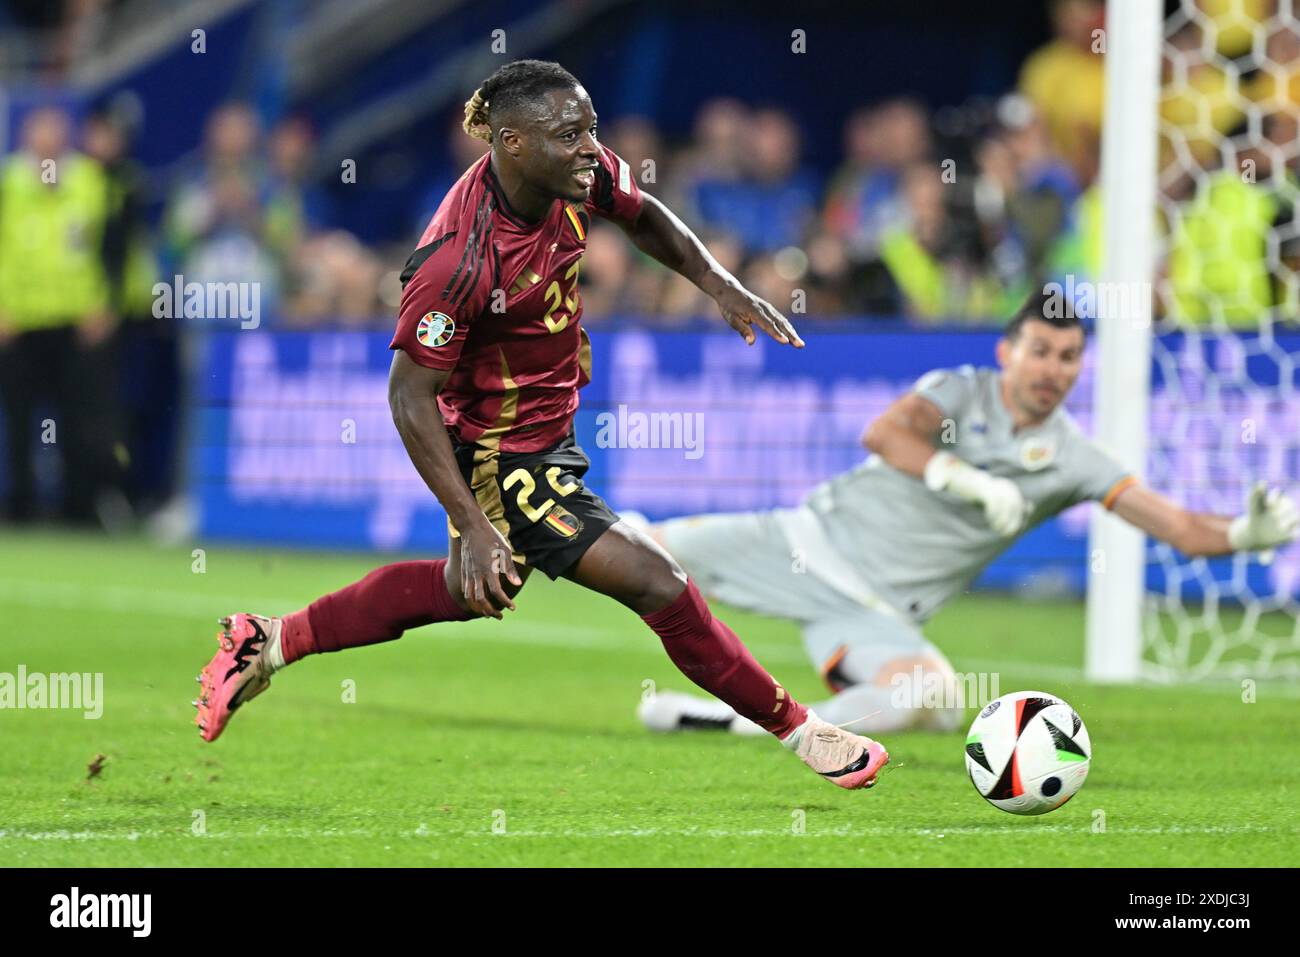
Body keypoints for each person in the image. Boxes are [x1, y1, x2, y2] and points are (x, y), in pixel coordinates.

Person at [192, 60, 890, 791]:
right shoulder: (458, 260)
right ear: (513, 143)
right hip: (497, 450)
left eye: (591, 129)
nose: (592, 148)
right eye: (570, 136)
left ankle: (267, 641)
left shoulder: (575, 171)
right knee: (657, 581)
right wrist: (473, 516)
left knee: (469, 591)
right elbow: (408, 397)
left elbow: (644, 211)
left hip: (545, 426)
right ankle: (804, 730)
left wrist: (719, 282)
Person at [637, 291, 1299, 736]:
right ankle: (530, 534)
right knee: (633, 550)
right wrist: (970, 481)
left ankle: (726, 722)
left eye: (1069, 357)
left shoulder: (1074, 460)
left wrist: (1245, 533)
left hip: (877, 612)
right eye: (1040, 350)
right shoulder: (958, 390)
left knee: (935, 700)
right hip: (804, 542)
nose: (1053, 368)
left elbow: (1178, 526)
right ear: (1008, 352)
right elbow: (886, 434)